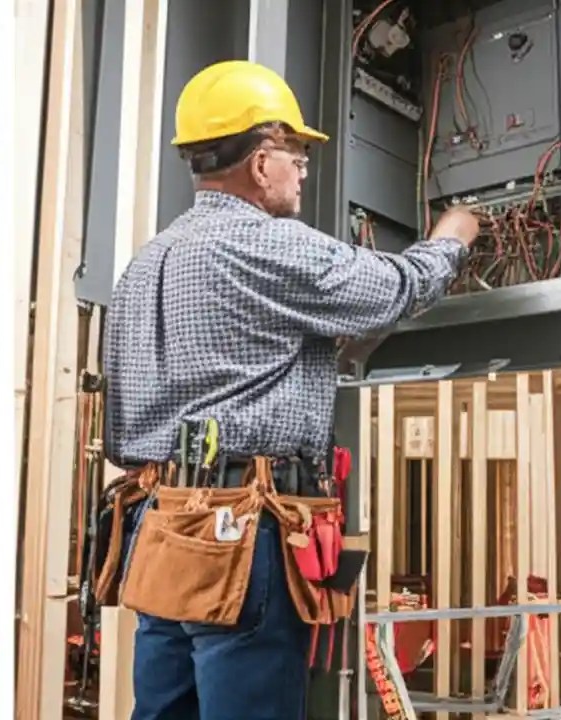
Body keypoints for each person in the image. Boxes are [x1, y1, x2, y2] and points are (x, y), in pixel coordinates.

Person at [101, 60, 480, 720]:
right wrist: (453, 237)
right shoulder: (264, 244)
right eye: (296, 154)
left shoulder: (147, 262)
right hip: (242, 534)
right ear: (261, 159)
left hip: (160, 527)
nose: (304, 170)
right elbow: (395, 290)